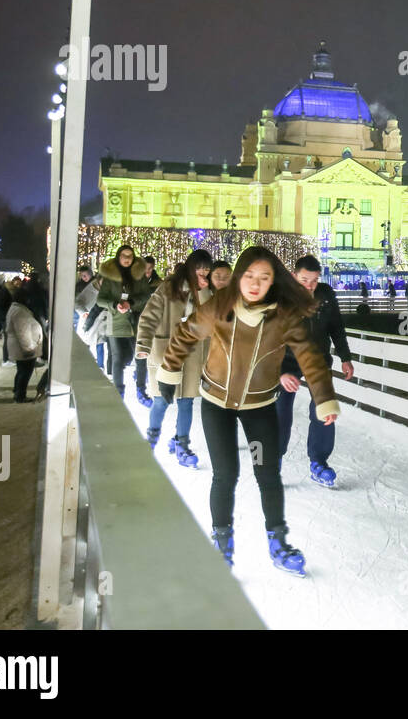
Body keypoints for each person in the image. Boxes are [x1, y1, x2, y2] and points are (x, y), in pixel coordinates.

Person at [156, 246, 340, 576]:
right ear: (240, 276)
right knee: (225, 475)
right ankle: (222, 544)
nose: (255, 284)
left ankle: (278, 543)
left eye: (264, 278)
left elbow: (310, 357)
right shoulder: (219, 306)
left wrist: (324, 398)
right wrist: (168, 372)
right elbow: (186, 334)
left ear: (273, 282)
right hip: (217, 406)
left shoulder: (284, 317)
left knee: (267, 474)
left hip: (259, 409)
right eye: (250, 276)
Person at [275, 255, 355, 487]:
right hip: (287, 362)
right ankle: (274, 460)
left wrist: (345, 357)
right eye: (304, 280)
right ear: (293, 276)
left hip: (318, 360)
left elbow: (336, 327)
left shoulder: (325, 295)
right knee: (280, 410)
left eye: (313, 280)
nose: (309, 286)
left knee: (324, 409)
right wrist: (280, 372)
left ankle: (318, 462)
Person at [137, 249, 215, 467]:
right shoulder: (168, 287)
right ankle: (150, 441)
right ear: (190, 268)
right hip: (166, 353)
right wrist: (143, 344)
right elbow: (149, 316)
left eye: (206, 271)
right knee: (161, 400)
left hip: (192, 356)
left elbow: (211, 322)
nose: (203, 274)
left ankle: (182, 445)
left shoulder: (206, 292)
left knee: (186, 402)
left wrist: (204, 292)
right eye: (199, 269)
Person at [96, 244, 149, 403]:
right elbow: (100, 299)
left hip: (136, 322)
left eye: (130, 256)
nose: (127, 259)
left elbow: (146, 295)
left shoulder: (140, 276)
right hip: (116, 322)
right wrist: (114, 305)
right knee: (118, 359)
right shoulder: (110, 277)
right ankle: (118, 392)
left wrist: (131, 303)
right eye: (124, 256)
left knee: (140, 356)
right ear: (118, 257)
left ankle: (141, 390)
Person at [130, 256, 162, 404]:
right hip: (136, 323)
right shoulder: (134, 283)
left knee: (149, 356)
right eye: (145, 268)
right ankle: (141, 390)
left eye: (150, 268)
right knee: (141, 356)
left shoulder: (158, 284)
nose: (148, 271)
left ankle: (147, 388)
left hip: (153, 324)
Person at [5, 287, 44, 403]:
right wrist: (29, 348)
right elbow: (23, 333)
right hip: (23, 349)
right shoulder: (20, 312)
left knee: (21, 370)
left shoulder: (16, 308)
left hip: (18, 347)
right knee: (25, 372)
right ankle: (20, 395)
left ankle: (17, 391)